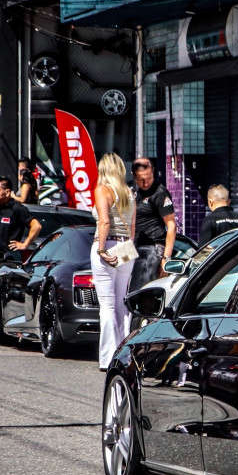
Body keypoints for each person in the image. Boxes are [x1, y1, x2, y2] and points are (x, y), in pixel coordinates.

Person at [91, 153, 136, 371]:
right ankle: (124, 352)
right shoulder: (129, 193)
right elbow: (133, 227)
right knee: (121, 303)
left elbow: (104, 220)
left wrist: (100, 248)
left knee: (107, 305)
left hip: (107, 244)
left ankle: (109, 357)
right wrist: (125, 246)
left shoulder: (102, 190)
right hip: (126, 246)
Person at [129, 157, 176, 291]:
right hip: (133, 247)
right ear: (133, 175)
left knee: (141, 290)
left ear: (153, 171)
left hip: (153, 248)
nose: (145, 183)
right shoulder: (131, 192)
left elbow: (171, 225)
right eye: (140, 179)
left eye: (148, 178)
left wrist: (166, 258)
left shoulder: (160, 193)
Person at [0, 177, 42, 260]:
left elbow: (37, 226)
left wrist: (25, 244)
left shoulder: (17, 209)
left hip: (10, 260)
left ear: (7, 192)